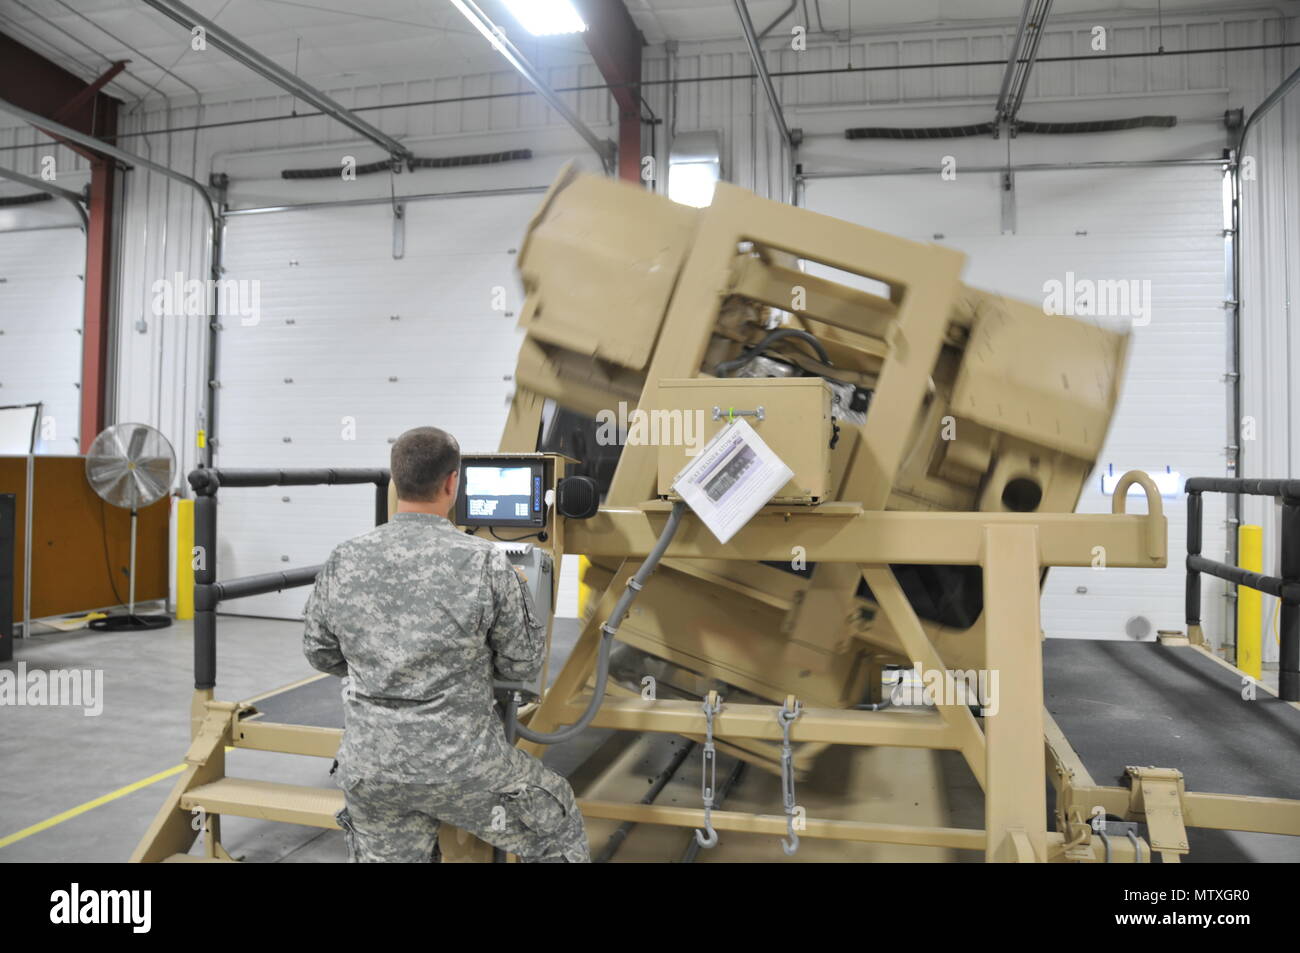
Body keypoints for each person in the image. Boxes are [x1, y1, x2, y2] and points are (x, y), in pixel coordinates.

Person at [302, 425, 590, 863]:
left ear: (396, 482)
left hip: (370, 770)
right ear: (453, 482)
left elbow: (319, 650)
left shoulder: (345, 557)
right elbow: (522, 663)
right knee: (557, 822)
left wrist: (382, 666)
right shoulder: (487, 562)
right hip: (462, 770)